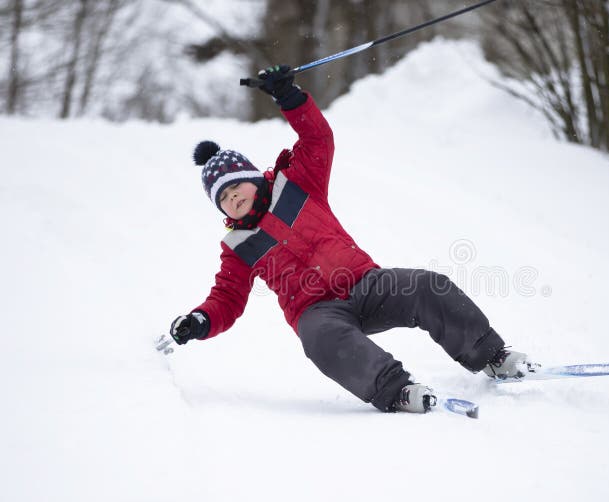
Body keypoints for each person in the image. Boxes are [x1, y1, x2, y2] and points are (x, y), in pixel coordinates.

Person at [170, 65, 528, 414]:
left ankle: (490, 355)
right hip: (316, 311)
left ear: (253, 176)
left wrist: (288, 96)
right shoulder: (238, 246)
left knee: (426, 286)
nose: (232, 198)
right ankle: (395, 389)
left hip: (365, 284)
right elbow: (228, 298)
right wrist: (201, 320)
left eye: (235, 186)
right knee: (320, 339)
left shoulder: (296, 183)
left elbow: (317, 139)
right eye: (223, 199)